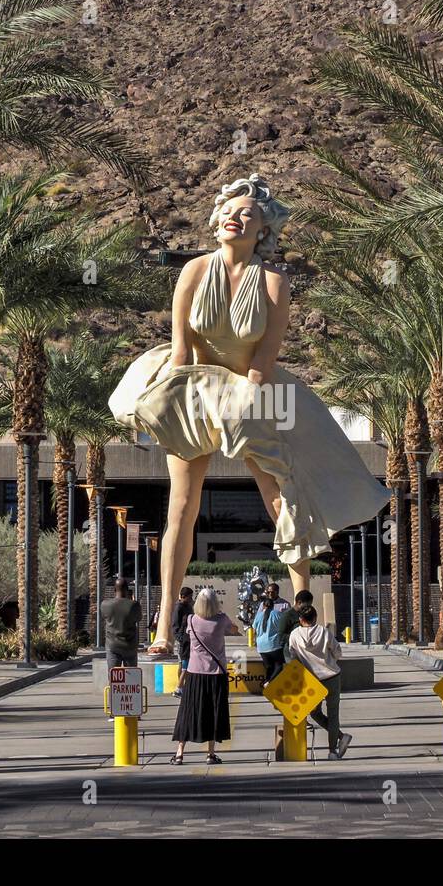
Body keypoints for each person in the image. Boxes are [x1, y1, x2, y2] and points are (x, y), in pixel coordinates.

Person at [110, 174, 390, 654]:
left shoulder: (275, 283)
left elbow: (262, 363)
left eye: (247, 214)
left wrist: (242, 412)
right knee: (182, 506)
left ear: (263, 229)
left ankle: (305, 619)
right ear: (216, 218)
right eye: (228, 211)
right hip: (197, 390)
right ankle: (161, 630)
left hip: (253, 395)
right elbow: (182, 354)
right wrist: (179, 406)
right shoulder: (194, 272)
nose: (234, 219)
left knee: (283, 496)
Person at [171, 587, 238, 764]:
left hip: (194, 673)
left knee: (188, 711)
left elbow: (186, 635)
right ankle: (210, 753)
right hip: (216, 673)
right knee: (213, 712)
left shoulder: (191, 620)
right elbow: (234, 629)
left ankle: (179, 752)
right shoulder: (222, 620)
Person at [287, 595, 351, 759]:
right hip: (331, 676)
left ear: (301, 619)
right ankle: (333, 750)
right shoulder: (324, 632)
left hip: (311, 680)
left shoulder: (294, 635)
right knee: (334, 713)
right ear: (315, 618)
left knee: (314, 712)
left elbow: (292, 656)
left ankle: (341, 736)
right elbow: (338, 652)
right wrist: (331, 659)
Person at [254, 582, 294, 684]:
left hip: (263, 645)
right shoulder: (274, 613)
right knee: (279, 665)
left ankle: (267, 685)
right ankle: (268, 683)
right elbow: (282, 625)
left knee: (270, 667)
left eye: (272, 592)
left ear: (277, 592)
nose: (270, 594)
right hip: (273, 642)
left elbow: (255, 626)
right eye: (268, 592)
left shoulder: (285, 604)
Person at [100, 578, 142, 671]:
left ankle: (113, 685)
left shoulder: (105, 604)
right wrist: (131, 600)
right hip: (130, 646)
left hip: (112, 645)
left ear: (114, 590)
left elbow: (105, 617)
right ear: (127, 590)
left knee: (114, 676)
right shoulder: (134, 605)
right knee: (132, 677)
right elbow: (138, 618)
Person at [171, 587, 194, 696]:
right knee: (184, 664)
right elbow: (175, 625)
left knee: (182, 664)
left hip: (187, 639)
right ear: (183, 596)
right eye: (189, 597)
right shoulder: (179, 608)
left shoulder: (188, 607)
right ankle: (179, 687)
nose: (191, 599)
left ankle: (181, 686)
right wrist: (180, 639)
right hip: (183, 641)